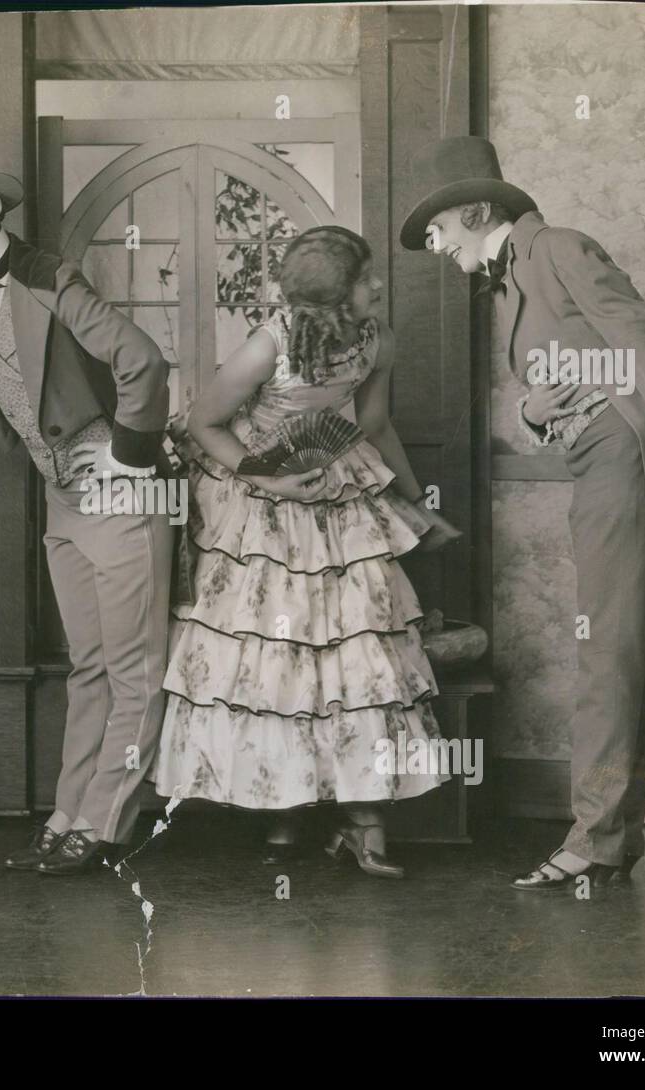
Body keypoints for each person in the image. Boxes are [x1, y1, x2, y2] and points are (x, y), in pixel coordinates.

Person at [400, 136, 645, 890]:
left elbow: (639, 333)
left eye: (438, 226)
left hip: (623, 454)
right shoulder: (509, 281)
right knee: (616, 648)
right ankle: (609, 838)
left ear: (479, 210)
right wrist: (529, 409)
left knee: (607, 651)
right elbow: (554, 383)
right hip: (596, 460)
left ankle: (596, 838)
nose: (432, 241)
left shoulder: (555, 248)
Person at [0, 122, 173, 875]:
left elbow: (142, 362)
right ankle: (69, 811)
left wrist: (129, 458)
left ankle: (107, 821)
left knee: (133, 670)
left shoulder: (49, 275)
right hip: (62, 503)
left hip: (119, 496)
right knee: (89, 665)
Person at [153, 226, 461, 878]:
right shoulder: (267, 347)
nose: (378, 285)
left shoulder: (378, 340)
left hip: (336, 491)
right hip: (260, 500)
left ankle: (365, 822)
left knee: (358, 649)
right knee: (276, 655)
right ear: (330, 297)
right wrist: (269, 477)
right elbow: (203, 423)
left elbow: (373, 427)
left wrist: (416, 503)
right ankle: (283, 804)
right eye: (365, 278)